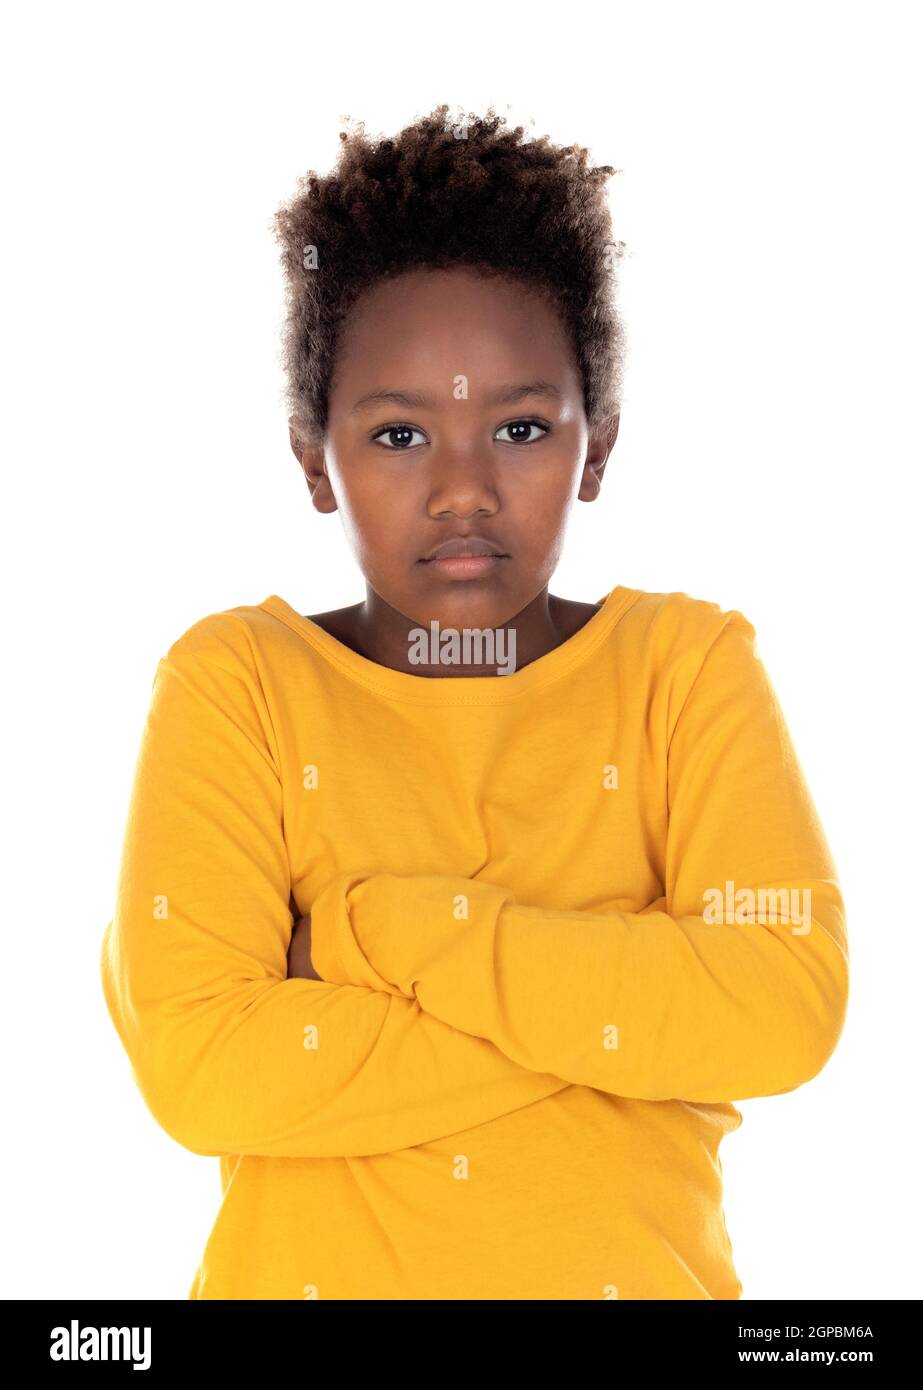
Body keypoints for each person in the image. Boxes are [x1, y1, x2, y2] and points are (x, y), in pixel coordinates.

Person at [100, 103, 849, 1300]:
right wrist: (627, 1006)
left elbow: (779, 1008)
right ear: (313, 458)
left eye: (518, 426)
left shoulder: (683, 669)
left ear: (594, 446)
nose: (462, 490)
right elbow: (203, 1070)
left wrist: (368, 934)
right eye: (398, 432)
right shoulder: (236, 686)